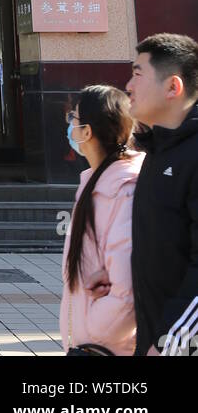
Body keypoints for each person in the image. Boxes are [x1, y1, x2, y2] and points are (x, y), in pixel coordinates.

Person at [123, 33, 198, 356]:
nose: (128, 86)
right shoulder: (157, 153)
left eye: (138, 74)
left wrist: (170, 339)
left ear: (173, 87)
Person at [58, 85, 143, 356]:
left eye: (74, 117)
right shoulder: (93, 183)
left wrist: (92, 331)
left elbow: (126, 292)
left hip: (103, 348)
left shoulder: (123, 190)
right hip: (86, 345)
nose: (70, 123)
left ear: (87, 132)